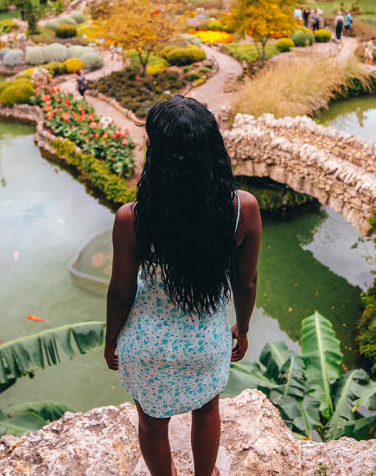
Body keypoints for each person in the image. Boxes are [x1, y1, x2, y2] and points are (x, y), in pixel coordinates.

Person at [105, 96, 262, 476]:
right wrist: (242, 328)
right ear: (213, 148)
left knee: (152, 423)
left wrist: (111, 340)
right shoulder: (243, 208)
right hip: (206, 342)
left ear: (155, 151)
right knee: (207, 410)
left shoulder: (134, 217)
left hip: (147, 344)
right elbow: (245, 281)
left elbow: (121, 292)